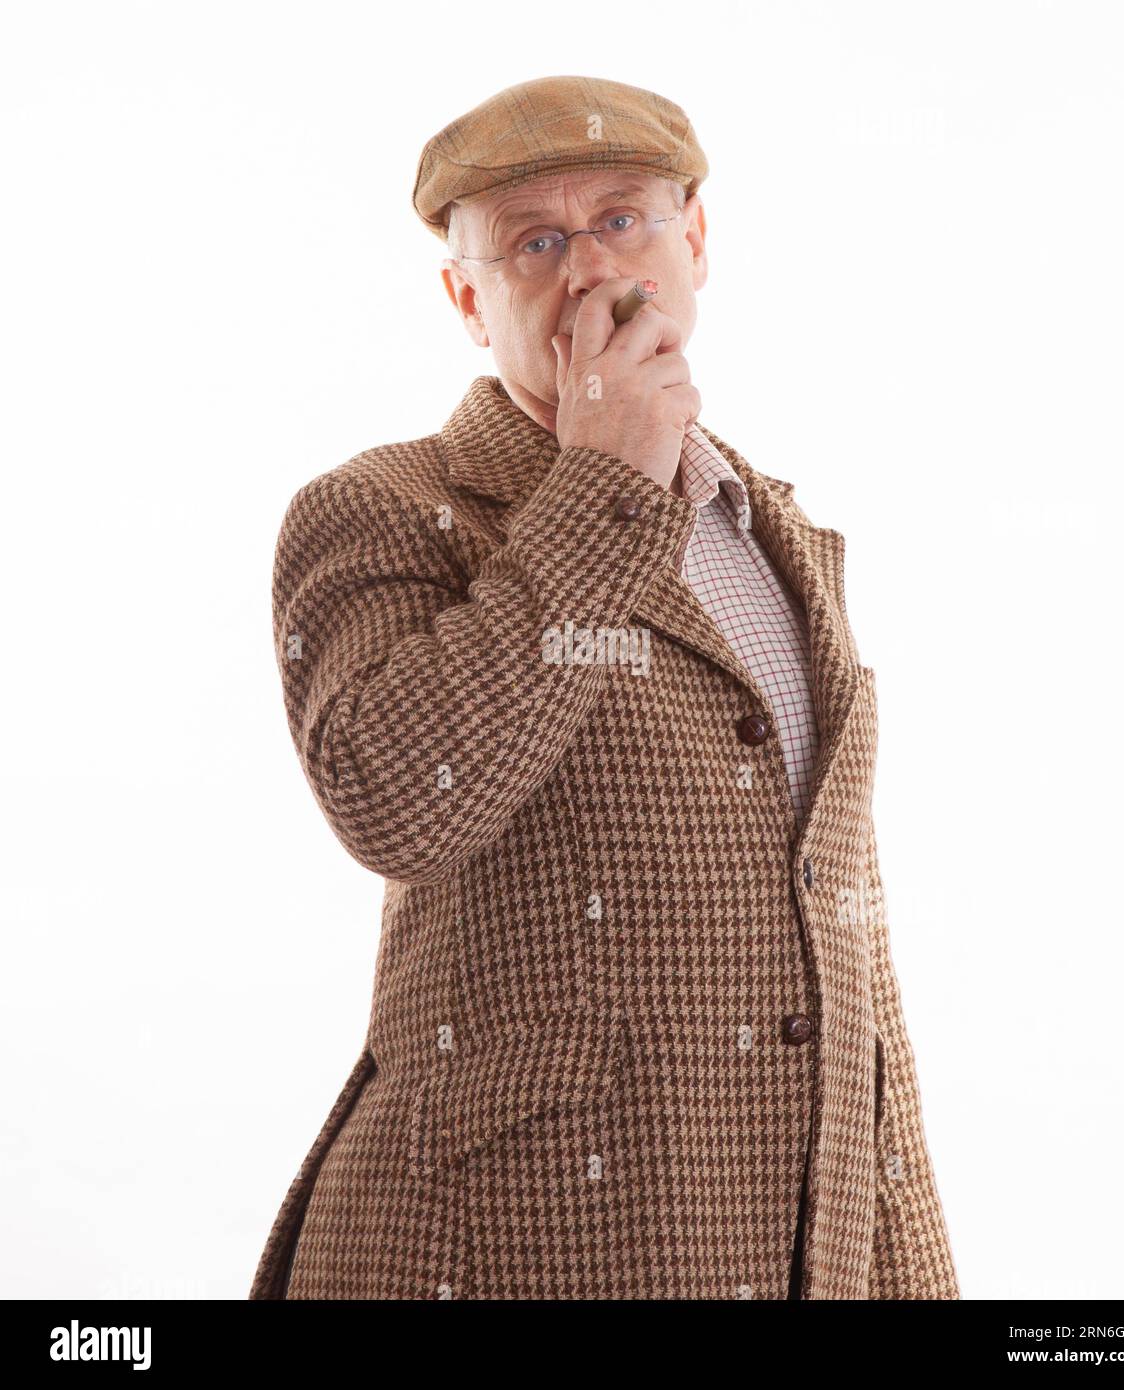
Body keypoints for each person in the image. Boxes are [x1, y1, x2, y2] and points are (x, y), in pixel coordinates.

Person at [249, 74, 960, 1301]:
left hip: (796, 1237)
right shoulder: (381, 511)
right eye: (533, 242)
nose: (587, 269)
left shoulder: (775, 531)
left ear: (695, 241)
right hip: (509, 1248)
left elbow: (845, 964)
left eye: (623, 217)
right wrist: (602, 485)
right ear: (468, 300)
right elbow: (395, 804)